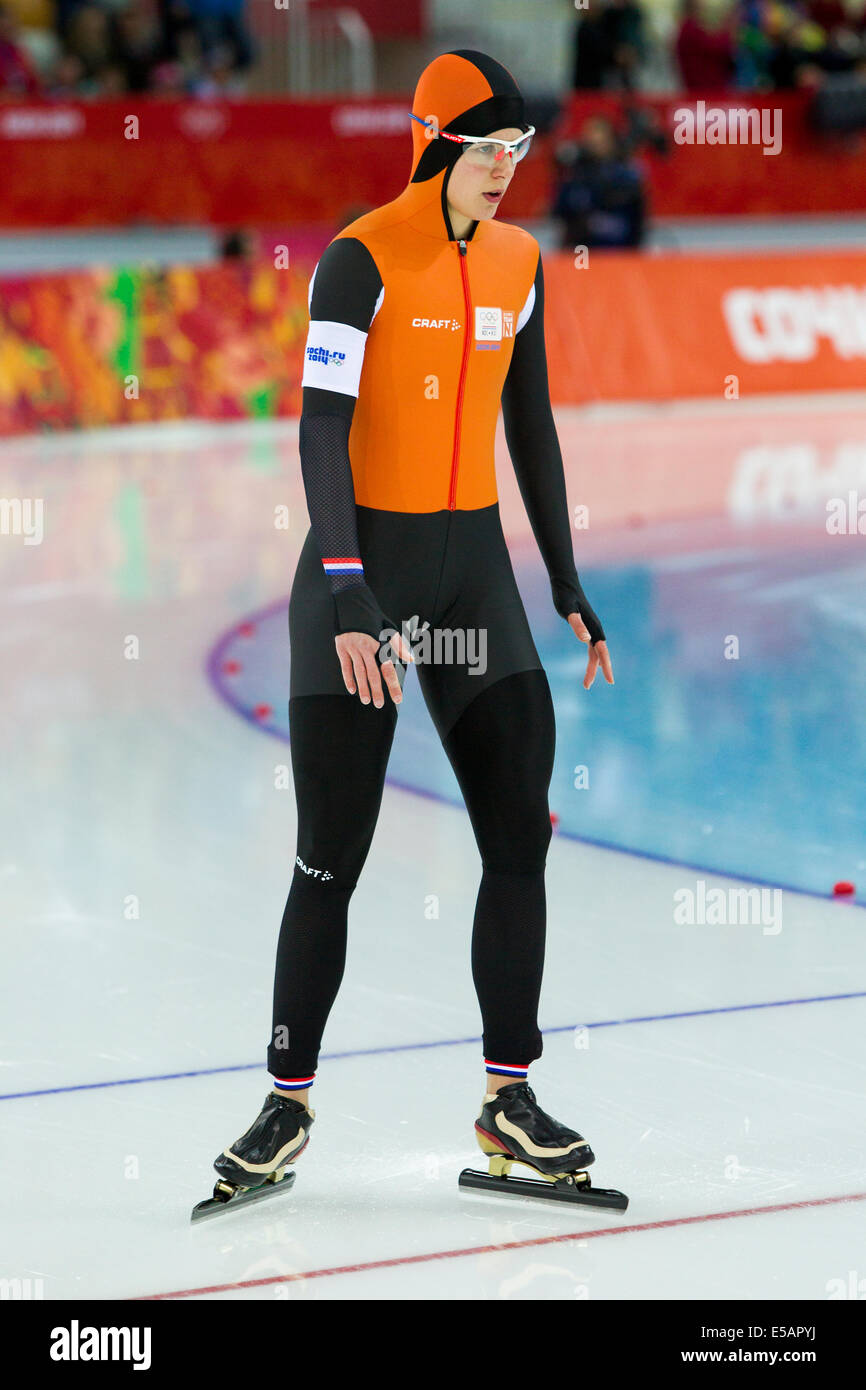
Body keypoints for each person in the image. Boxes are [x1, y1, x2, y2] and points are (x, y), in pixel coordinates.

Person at [207, 50, 617, 1212]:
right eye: (491, 150)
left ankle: (508, 1099)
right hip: (363, 587)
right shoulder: (358, 259)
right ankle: (283, 1105)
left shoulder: (520, 263)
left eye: (519, 153)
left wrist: (569, 579)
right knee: (329, 861)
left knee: (517, 838)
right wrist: (347, 591)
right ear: (438, 142)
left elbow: (528, 428)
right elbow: (319, 432)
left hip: (473, 586)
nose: (507, 172)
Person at [553, 115, 646, 250]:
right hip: (582, 251)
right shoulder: (575, 175)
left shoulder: (626, 175)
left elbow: (637, 218)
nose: (595, 146)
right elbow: (561, 212)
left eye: (600, 141)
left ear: (611, 141)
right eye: (591, 141)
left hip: (619, 250)